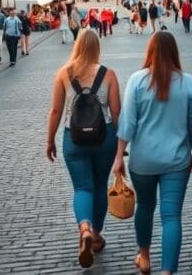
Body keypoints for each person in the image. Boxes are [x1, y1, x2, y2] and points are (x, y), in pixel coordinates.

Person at [113, 32, 192, 275]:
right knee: (171, 216)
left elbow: (127, 124)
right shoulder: (188, 82)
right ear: (174, 52)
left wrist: (119, 156)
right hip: (176, 160)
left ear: (149, 51)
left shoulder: (137, 81)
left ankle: (145, 257)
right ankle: (167, 271)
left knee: (145, 207)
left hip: (143, 161)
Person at [47, 30, 121, 268]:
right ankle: (97, 234)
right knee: (100, 186)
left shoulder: (63, 74)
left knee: (82, 187)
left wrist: (49, 140)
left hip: (74, 139)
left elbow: (56, 111)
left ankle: (85, 228)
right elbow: (117, 112)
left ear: (77, 46)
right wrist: (121, 145)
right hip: (104, 138)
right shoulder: (108, 74)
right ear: (97, 47)